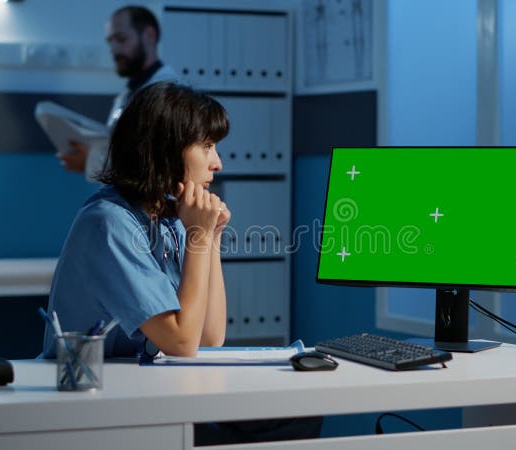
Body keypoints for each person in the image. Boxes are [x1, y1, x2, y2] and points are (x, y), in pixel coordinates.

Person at [42, 82, 322, 445]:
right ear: (166, 151)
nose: (217, 162)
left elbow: (210, 336)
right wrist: (199, 238)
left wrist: (212, 236)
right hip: (97, 406)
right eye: (206, 146)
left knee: (299, 413)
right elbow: (182, 342)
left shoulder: (169, 216)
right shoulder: (109, 222)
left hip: (145, 391)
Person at [58, 5, 180, 181]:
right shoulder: (128, 94)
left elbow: (157, 164)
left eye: (121, 39)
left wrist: (90, 162)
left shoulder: (168, 91)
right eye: (110, 42)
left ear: (149, 35)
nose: (114, 50)